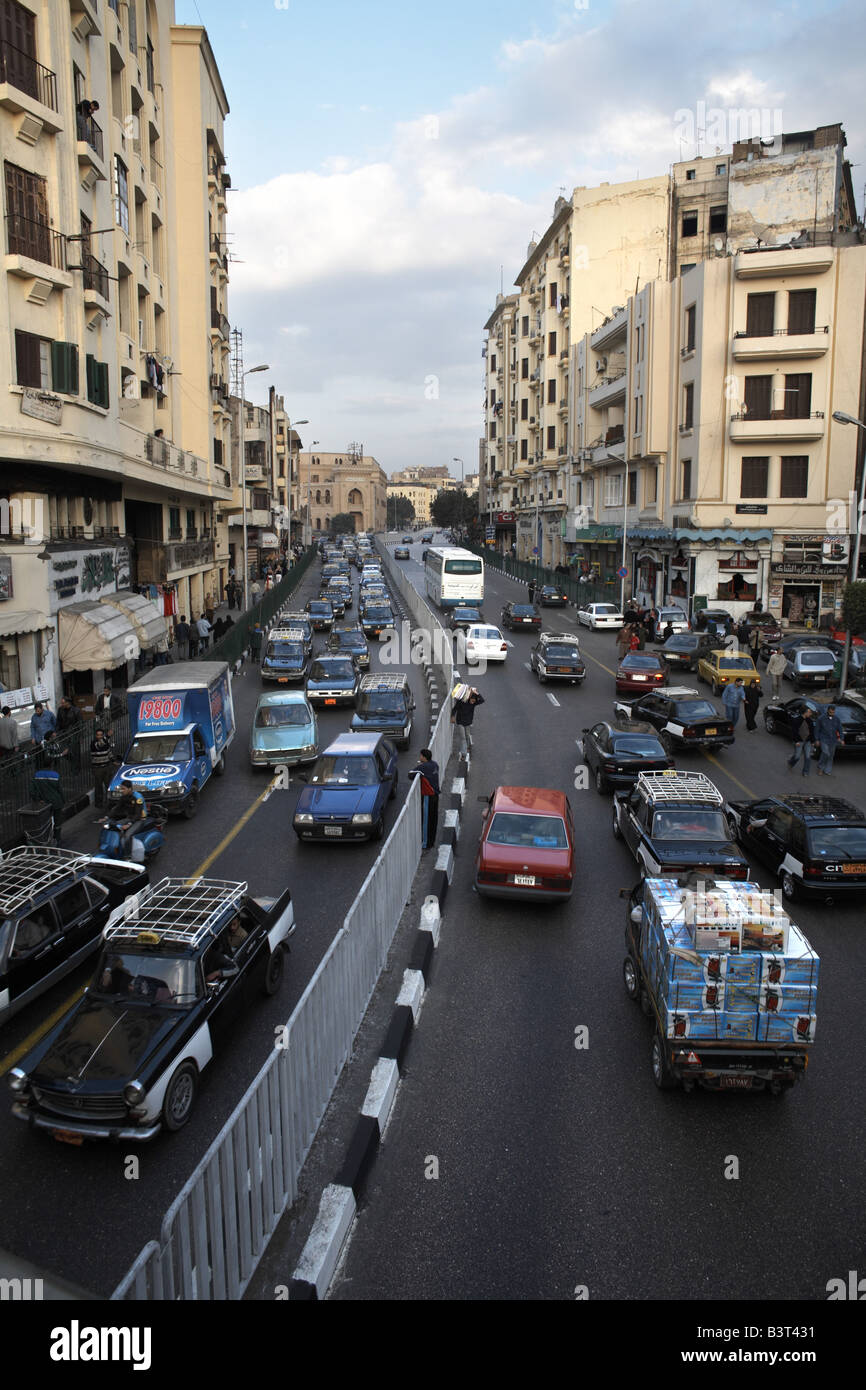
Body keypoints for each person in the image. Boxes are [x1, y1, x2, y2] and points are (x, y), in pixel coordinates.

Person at [409, 748, 440, 850]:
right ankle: (432, 841)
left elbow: (410, 774)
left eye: (421, 755)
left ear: (424, 757)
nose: (420, 757)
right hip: (436, 795)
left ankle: (426, 844)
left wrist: (419, 765)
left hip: (428, 796)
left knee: (426, 820)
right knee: (434, 819)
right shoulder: (435, 764)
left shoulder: (423, 767)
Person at [90, 726, 118, 809]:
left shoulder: (105, 743)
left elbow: (109, 753)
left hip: (106, 767)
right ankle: (99, 803)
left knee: (108, 785)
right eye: (98, 735)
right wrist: (108, 736)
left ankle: (110, 802)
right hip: (97, 768)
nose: (99, 737)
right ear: (96, 736)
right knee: (98, 787)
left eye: (101, 735)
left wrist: (113, 761)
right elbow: (99, 745)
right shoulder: (93, 743)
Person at [451, 686, 484, 753]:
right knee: (463, 738)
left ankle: (468, 747)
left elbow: (482, 700)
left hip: (468, 722)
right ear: (469, 698)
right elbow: (454, 709)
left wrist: (476, 693)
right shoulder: (461, 701)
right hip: (460, 721)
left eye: (474, 701)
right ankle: (464, 753)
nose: (473, 702)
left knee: (467, 735)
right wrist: (452, 717)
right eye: (472, 700)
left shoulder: (474, 703)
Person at [814, 704, 844, 776]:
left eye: (833, 712)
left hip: (833, 740)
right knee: (826, 753)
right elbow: (816, 730)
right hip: (823, 739)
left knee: (831, 756)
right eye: (831, 712)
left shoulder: (837, 719)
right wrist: (817, 739)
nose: (832, 714)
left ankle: (827, 770)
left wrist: (841, 739)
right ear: (828, 710)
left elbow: (840, 730)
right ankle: (820, 768)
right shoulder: (821, 718)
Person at [787, 710, 817, 777]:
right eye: (809, 712)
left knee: (808, 757)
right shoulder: (797, 720)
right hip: (799, 741)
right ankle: (791, 762)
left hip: (808, 741)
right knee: (797, 756)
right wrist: (796, 741)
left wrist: (812, 741)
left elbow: (812, 732)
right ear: (805, 712)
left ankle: (805, 772)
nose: (810, 714)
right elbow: (794, 731)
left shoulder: (810, 721)